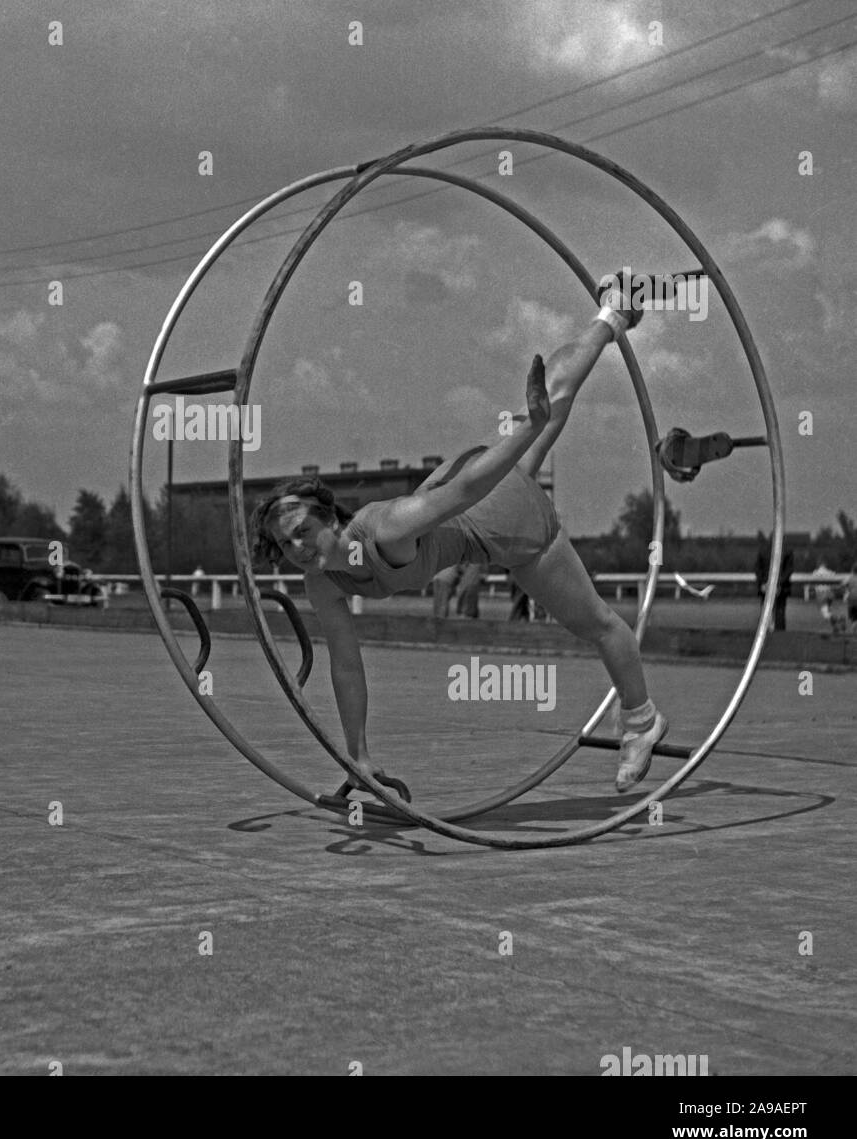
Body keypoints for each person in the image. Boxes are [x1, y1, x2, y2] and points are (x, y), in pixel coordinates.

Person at [250, 280, 668, 799]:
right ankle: (611, 317)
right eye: (285, 546)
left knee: (597, 623)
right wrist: (358, 753)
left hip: (502, 521)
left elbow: (469, 492)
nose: (297, 550)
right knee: (548, 407)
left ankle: (641, 718)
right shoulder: (322, 584)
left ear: (328, 517)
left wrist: (523, 433)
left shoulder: (386, 527)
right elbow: (346, 663)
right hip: (469, 482)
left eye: (302, 533)